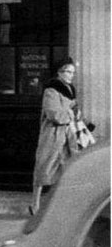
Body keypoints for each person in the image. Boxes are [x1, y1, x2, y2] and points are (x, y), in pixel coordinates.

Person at [31, 57, 81, 214]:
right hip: (53, 134)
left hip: (68, 135)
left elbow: (74, 110)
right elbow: (54, 114)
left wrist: (77, 116)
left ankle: (59, 204)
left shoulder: (70, 89)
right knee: (44, 168)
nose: (71, 75)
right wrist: (71, 114)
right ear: (59, 72)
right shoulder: (51, 90)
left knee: (66, 168)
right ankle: (35, 204)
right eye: (68, 71)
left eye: (72, 72)